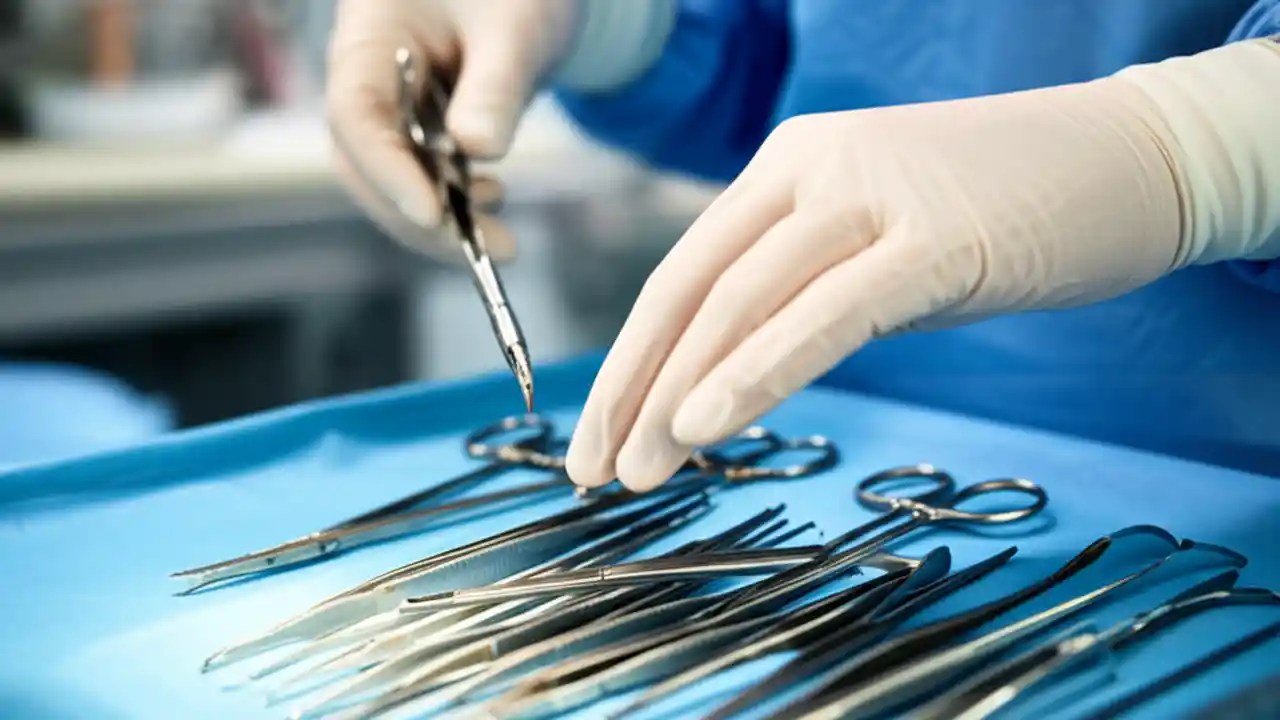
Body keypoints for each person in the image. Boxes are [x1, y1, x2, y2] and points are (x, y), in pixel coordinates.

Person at [327, 0, 1280, 487]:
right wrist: (606, 24)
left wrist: (1208, 148)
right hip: (856, 458)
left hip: (1231, 497)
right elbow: (810, 56)